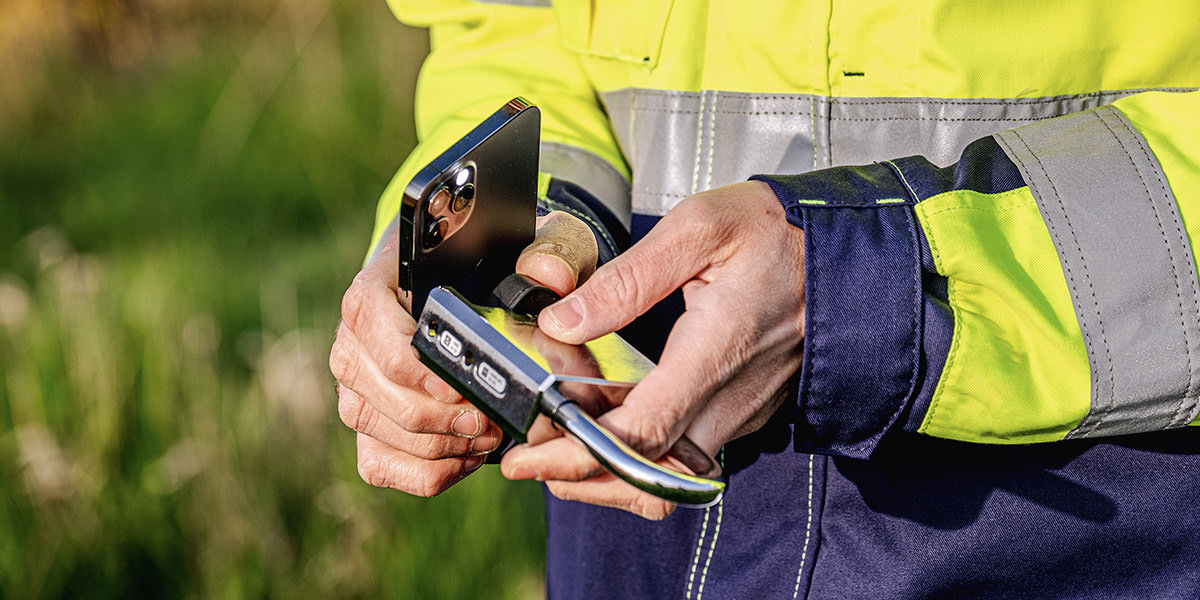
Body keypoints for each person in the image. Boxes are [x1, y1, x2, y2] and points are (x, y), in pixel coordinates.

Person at [329, 0, 1200, 597]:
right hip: (630, 526)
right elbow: (507, 29)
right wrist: (504, 228)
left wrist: (863, 280)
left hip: (1082, 517)